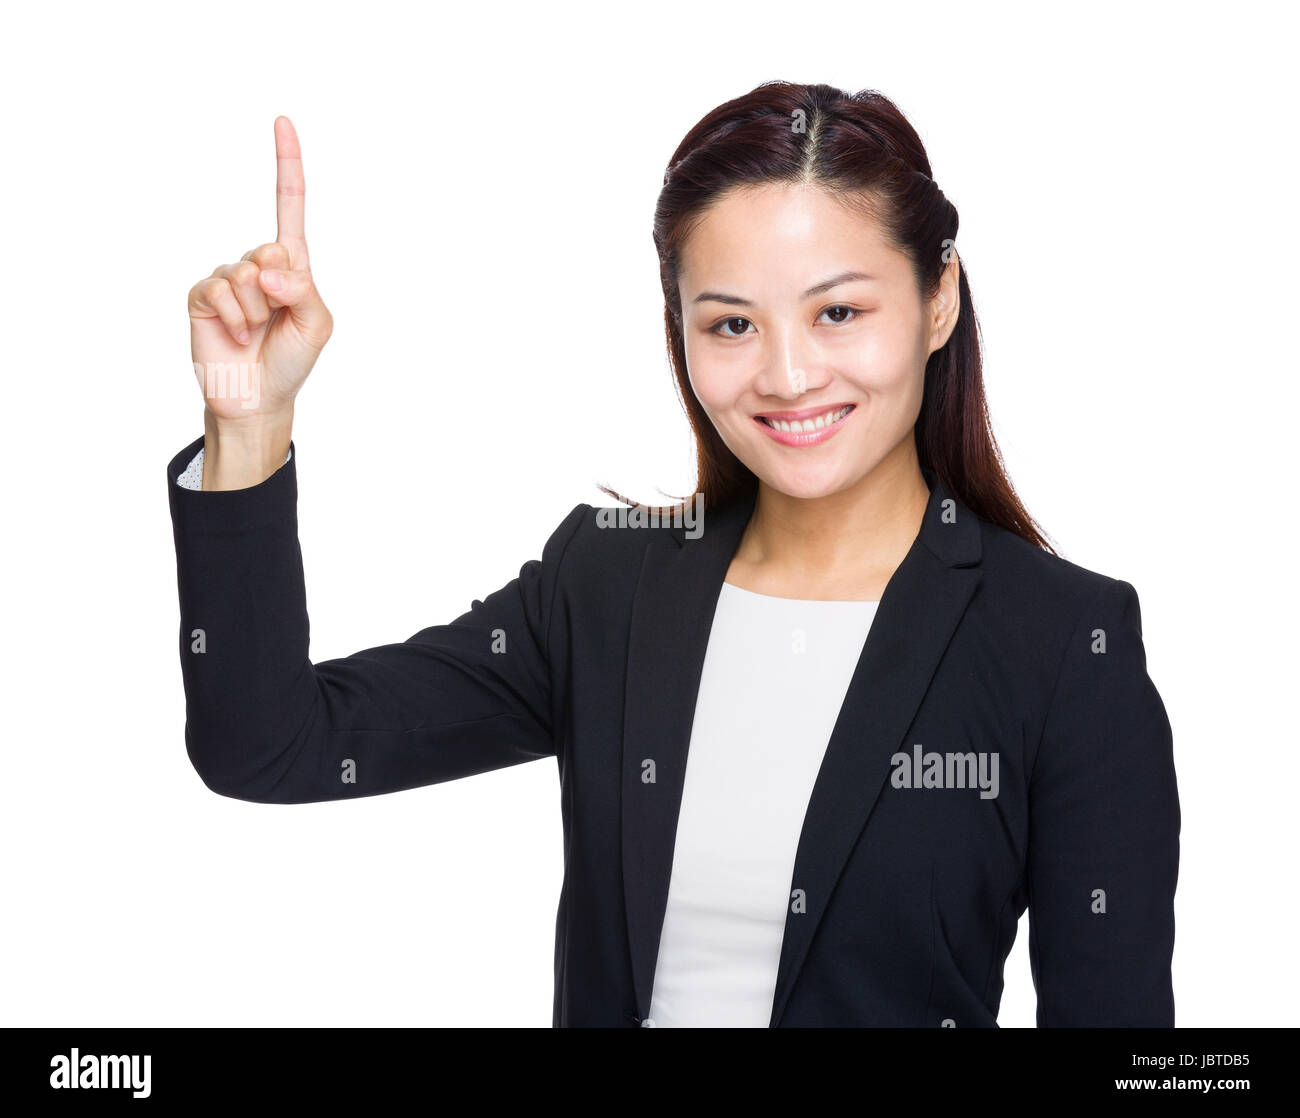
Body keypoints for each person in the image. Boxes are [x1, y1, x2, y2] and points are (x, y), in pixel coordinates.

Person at [168, 83, 1180, 1027]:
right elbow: (270, 743)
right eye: (731, 323)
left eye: (838, 311)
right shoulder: (606, 585)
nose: (786, 375)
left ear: (938, 300)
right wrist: (246, 424)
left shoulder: (1061, 644)